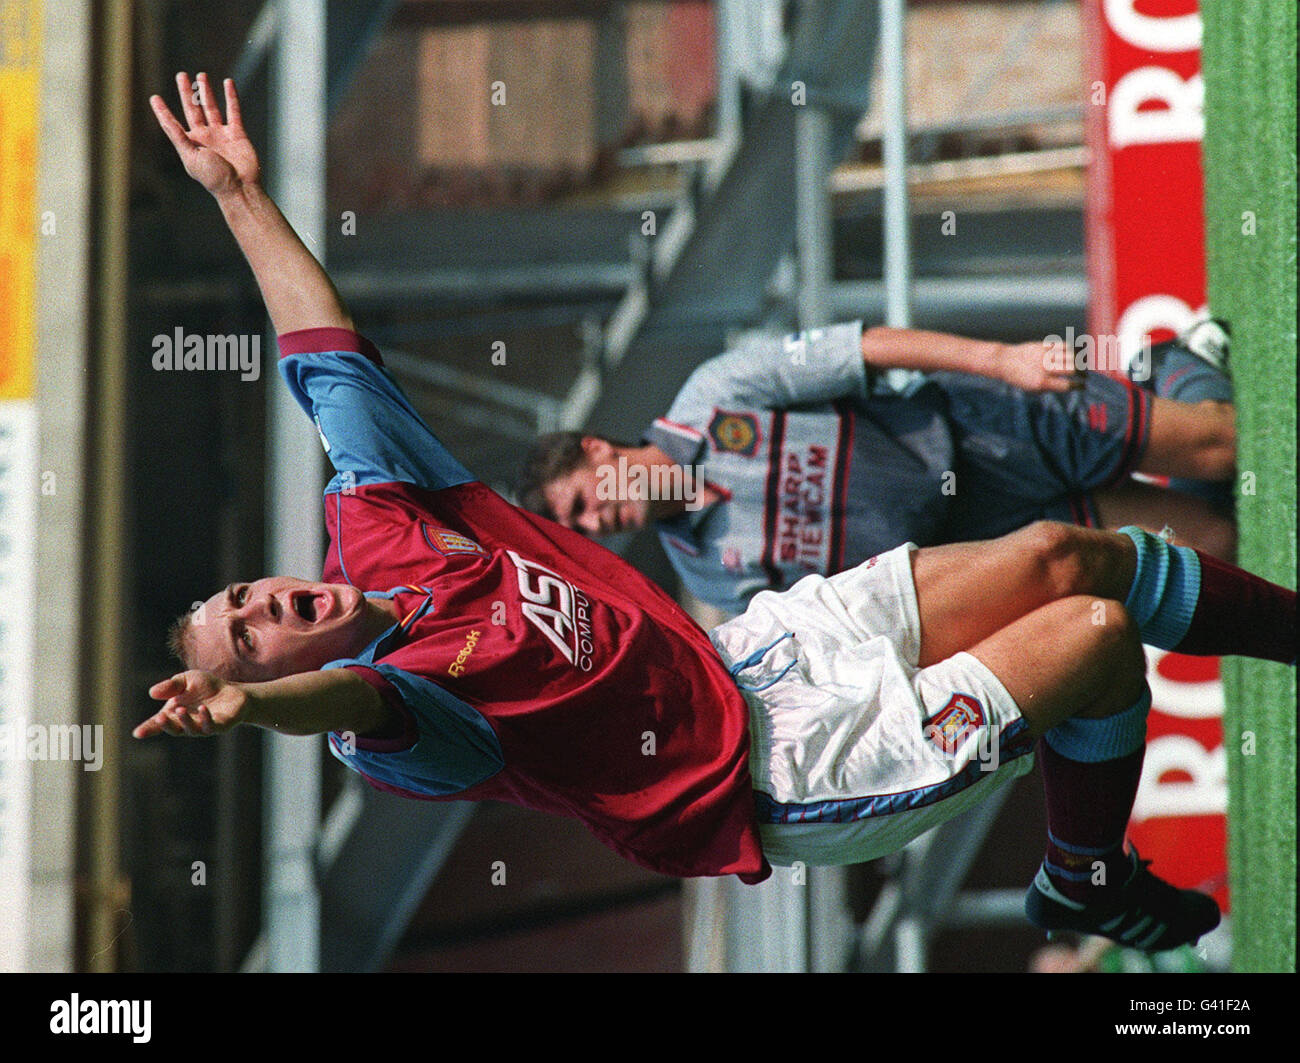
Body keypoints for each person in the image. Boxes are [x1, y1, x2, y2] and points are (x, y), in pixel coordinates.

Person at [138, 73, 1296, 953]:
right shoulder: (401, 726)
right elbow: (348, 695)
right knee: (1094, 640)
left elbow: (319, 354)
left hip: (752, 657)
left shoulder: (380, 517)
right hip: (774, 771)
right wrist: (248, 706)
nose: (265, 607)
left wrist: (240, 193)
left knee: (1072, 556)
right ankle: (1085, 874)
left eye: (246, 599)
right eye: (250, 634)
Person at [518, 319, 1237, 616]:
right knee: (1214, 546)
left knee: (1221, 447)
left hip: (979, 427)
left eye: (583, 501)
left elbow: (867, 348)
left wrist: (1005, 360)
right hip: (983, 540)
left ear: (598, 451)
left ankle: (1176, 371)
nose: (596, 523)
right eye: (583, 528)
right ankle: (1171, 378)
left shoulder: (717, 393)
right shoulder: (710, 577)